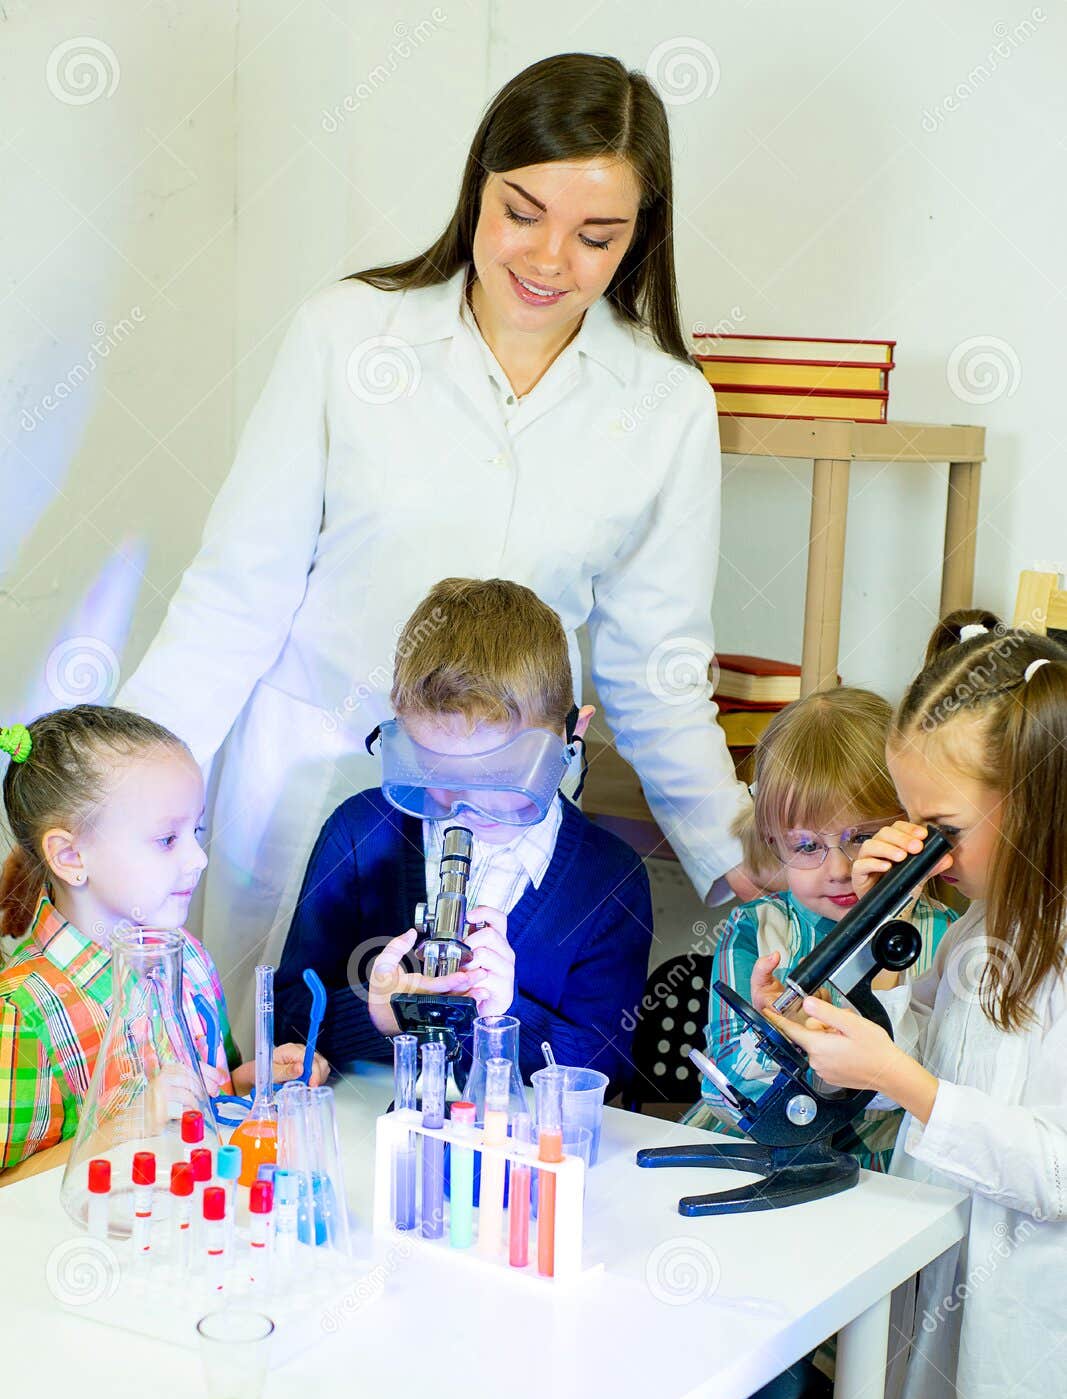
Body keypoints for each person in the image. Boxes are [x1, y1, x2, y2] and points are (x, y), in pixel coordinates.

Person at [115, 51, 754, 1040]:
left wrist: (732, 860)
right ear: (475, 191)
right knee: (277, 1062)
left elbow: (654, 672)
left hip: (508, 813)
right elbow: (233, 597)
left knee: (475, 1074)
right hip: (310, 780)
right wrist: (106, 796)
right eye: (520, 211)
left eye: (595, 235)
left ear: (639, 238)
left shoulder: (664, 405)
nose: (548, 259)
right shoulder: (348, 336)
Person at [775, 610, 1067, 1399]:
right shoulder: (987, 918)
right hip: (973, 1331)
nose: (918, 852)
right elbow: (919, 1042)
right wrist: (874, 926)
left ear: (1030, 800)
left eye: (933, 830)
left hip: (1044, 1366)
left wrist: (898, 1080)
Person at [274, 579, 652, 1093]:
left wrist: (501, 1019)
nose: (463, 805)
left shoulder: (610, 880)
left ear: (571, 736)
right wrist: (381, 1015)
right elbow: (288, 1015)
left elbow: (605, 1070)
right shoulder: (361, 834)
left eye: (498, 777)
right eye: (434, 772)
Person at [0, 708, 325, 1170]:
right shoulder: (21, 1018)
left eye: (195, 831)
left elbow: (205, 1098)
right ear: (71, 856)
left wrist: (255, 1081)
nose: (198, 859)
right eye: (167, 840)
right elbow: (8, 1187)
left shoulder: (188, 959)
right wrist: (132, 1123)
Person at [691, 688, 955, 1169]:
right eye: (808, 845)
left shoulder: (949, 941)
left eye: (862, 837)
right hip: (765, 1159)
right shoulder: (755, 932)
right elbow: (723, 1088)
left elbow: (944, 1091)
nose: (837, 868)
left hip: (890, 1179)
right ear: (772, 841)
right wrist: (782, 1040)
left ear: (908, 825)